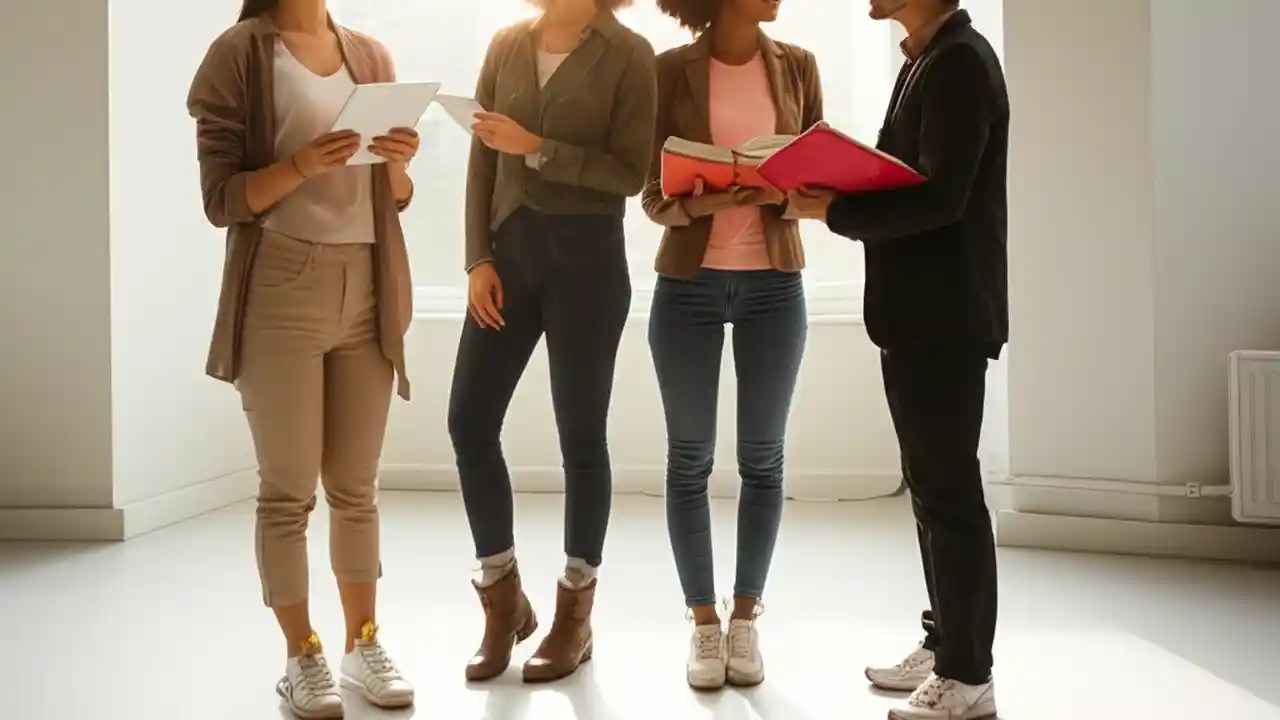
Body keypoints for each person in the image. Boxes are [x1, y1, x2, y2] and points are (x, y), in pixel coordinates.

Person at [187, 0, 419, 716]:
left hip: (369, 281)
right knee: (288, 489)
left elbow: (393, 197)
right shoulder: (240, 53)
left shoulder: (369, 53)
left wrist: (401, 167)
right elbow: (222, 199)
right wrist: (297, 166)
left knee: (356, 485)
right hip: (280, 284)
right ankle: (301, 656)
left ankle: (364, 643)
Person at [786, 0, 1008, 717]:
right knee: (930, 488)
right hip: (918, 317)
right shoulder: (926, 59)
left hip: (944, 317)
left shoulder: (960, 64)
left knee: (950, 495)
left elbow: (943, 198)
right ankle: (947, 642)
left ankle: (969, 676)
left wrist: (833, 211)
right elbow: (910, 179)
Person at [448, 0, 657, 685]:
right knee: (469, 421)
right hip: (509, 258)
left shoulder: (630, 53)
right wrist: (478, 258)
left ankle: (575, 610)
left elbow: (629, 173)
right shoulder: (508, 42)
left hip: (588, 268)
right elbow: (482, 157)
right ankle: (502, 595)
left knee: (581, 437)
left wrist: (536, 146)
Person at [642, 0, 823, 692]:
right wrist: (711, 199)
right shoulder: (669, 71)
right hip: (687, 285)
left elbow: (818, 180)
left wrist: (783, 191)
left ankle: (746, 616)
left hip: (774, 285)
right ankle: (703, 623)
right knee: (688, 460)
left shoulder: (799, 67)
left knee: (763, 458)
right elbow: (650, 192)